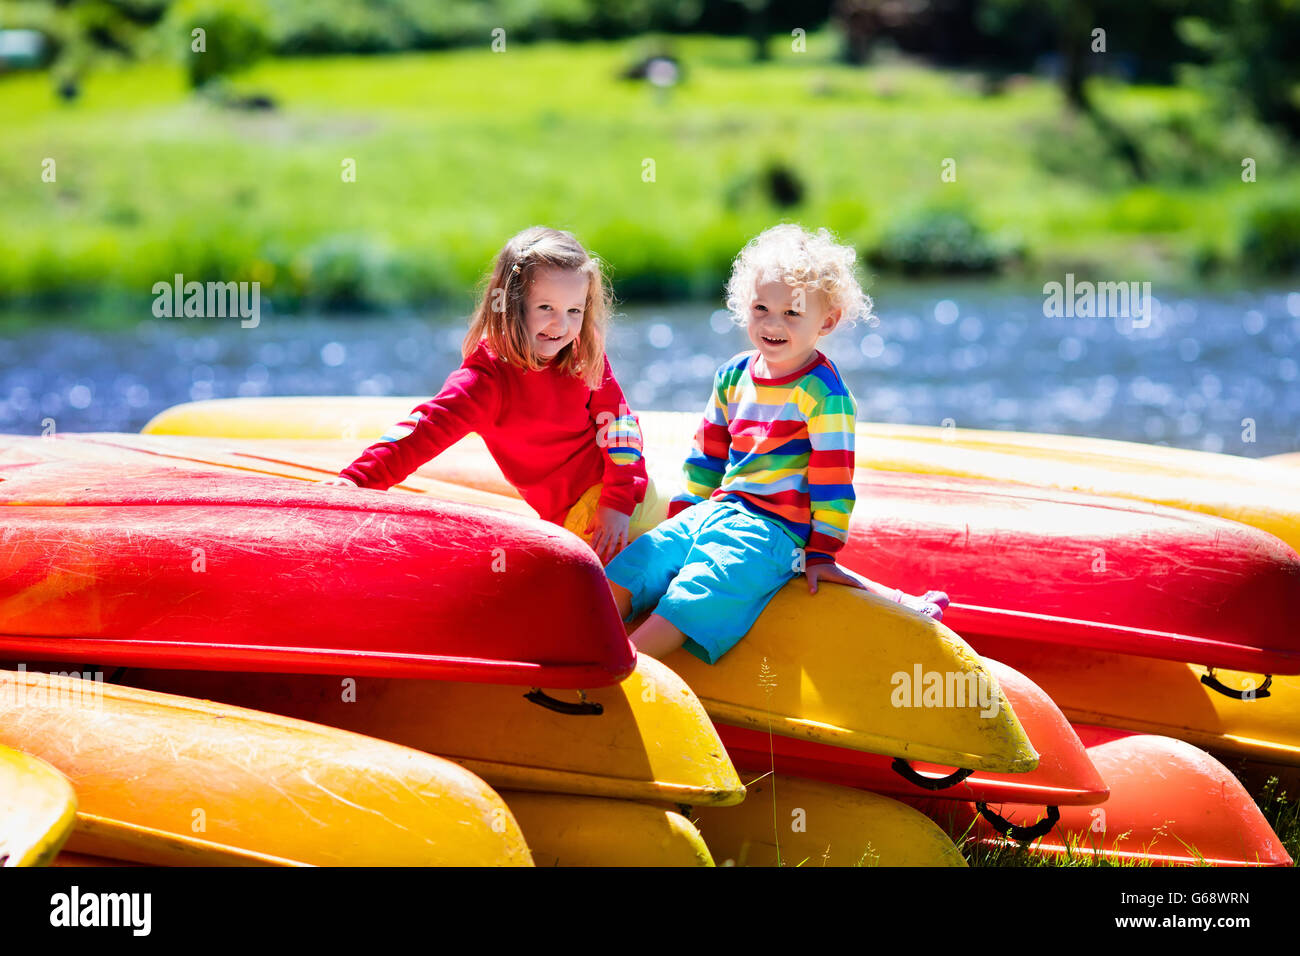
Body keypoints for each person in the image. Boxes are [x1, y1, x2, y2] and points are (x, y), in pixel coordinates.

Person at [605, 224, 946, 662]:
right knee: (635, 566)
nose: (772, 323)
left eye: (791, 314)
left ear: (827, 320)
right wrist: (686, 516)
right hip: (716, 511)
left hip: (773, 532)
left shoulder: (824, 394)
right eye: (761, 308)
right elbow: (707, 452)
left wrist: (822, 551)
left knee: (696, 594)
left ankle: (622, 668)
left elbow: (833, 481)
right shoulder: (733, 374)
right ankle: (583, 646)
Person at [322, 226, 649, 562]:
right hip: (575, 523)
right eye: (546, 308)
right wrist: (357, 481)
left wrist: (617, 502)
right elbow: (420, 432)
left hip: (621, 501)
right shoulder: (485, 383)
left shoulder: (581, 352)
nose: (561, 326)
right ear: (509, 305)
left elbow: (620, 424)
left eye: (574, 311)